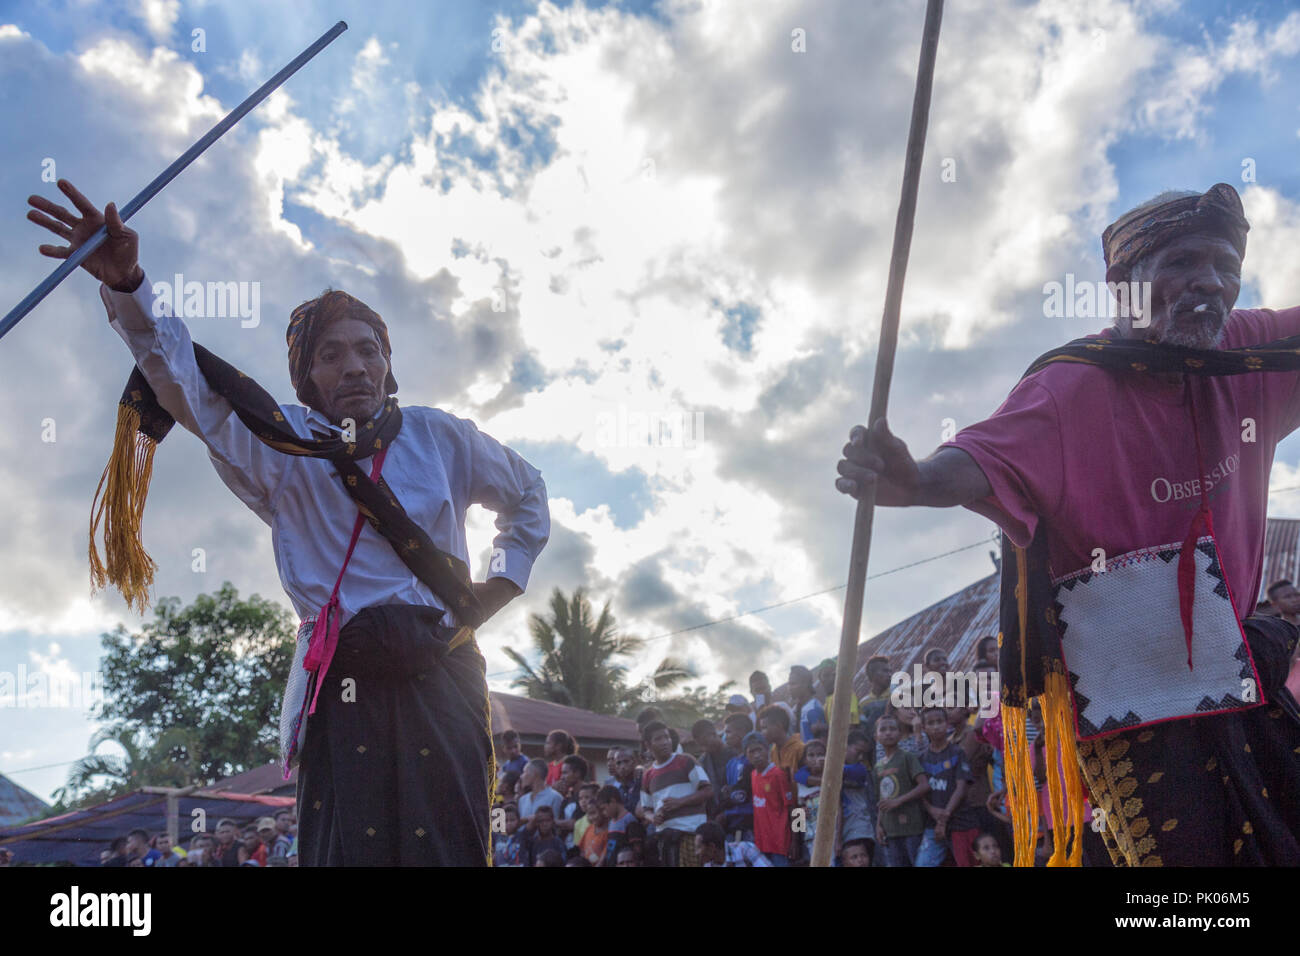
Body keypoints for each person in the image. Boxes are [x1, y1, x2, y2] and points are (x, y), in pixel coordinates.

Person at [28, 181, 551, 867]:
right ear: (306, 379)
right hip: (343, 681)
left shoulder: (442, 436)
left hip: (444, 671)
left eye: (368, 349)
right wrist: (128, 283)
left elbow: (528, 494)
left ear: (388, 364)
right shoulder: (279, 446)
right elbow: (183, 382)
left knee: (448, 846)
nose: (354, 365)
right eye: (330, 355)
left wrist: (497, 587)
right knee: (348, 850)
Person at [835, 182, 1300, 866]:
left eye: (1225, 265)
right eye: (1182, 262)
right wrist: (915, 482)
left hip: (1242, 678)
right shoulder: (1069, 387)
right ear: (1122, 284)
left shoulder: (1248, 350)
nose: (1210, 282)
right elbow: (979, 458)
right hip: (1139, 702)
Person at [638, 721, 713, 867]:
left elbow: (708, 790)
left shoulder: (686, 761)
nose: (665, 742)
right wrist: (653, 817)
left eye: (666, 737)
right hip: (666, 840)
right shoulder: (648, 775)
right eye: (658, 739)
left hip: (692, 835)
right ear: (648, 745)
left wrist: (680, 802)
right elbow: (646, 809)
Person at [916, 707, 978, 867]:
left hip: (960, 822)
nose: (936, 726)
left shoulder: (957, 753)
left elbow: (961, 787)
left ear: (947, 723)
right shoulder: (921, 758)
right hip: (932, 824)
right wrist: (931, 810)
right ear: (923, 728)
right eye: (931, 723)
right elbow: (919, 791)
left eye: (939, 722)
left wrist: (944, 816)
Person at [873, 713, 929, 867]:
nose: (888, 733)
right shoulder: (878, 766)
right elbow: (882, 799)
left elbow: (924, 785)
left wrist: (898, 801)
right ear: (876, 737)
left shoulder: (907, 757)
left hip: (911, 826)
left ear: (900, 734)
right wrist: (879, 825)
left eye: (892, 729)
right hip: (890, 829)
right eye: (883, 730)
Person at [745, 731, 794, 866]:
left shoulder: (778, 774)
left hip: (780, 842)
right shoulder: (753, 775)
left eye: (759, 750)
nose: (756, 755)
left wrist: (796, 840)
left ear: (767, 750)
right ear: (746, 756)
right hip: (762, 842)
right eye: (751, 752)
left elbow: (793, 807)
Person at [720, 713, 755, 840]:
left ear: (741, 733)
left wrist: (730, 793)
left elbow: (743, 793)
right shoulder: (730, 763)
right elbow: (726, 791)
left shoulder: (752, 761)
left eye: (728, 732)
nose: (725, 736)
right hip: (732, 823)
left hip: (749, 823)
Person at [792, 737, 827, 859]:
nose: (816, 758)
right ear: (805, 760)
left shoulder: (832, 777)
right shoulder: (800, 785)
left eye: (820, 754)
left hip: (830, 835)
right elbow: (797, 817)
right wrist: (801, 814)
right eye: (811, 755)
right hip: (811, 838)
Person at [694, 821, 771, 867]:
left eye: (699, 847)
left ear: (711, 847)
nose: (696, 853)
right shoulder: (708, 865)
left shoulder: (745, 850)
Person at [596, 785, 638, 867]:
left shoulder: (629, 820)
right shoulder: (611, 822)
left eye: (604, 808)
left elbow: (636, 849)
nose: (603, 813)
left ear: (613, 801)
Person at [760, 704, 804, 783]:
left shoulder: (799, 749)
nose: (762, 733)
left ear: (778, 726)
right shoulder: (773, 750)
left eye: (764, 728)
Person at [517, 757, 564, 830]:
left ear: (534, 774)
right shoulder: (522, 800)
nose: (521, 776)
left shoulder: (555, 797)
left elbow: (555, 827)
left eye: (524, 772)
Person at [789, 665, 827, 742]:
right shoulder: (794, 710)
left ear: (805, 684)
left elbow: (822, 741)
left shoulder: (813, 708)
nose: (789, 687)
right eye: (789, 684)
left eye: (793, 684)